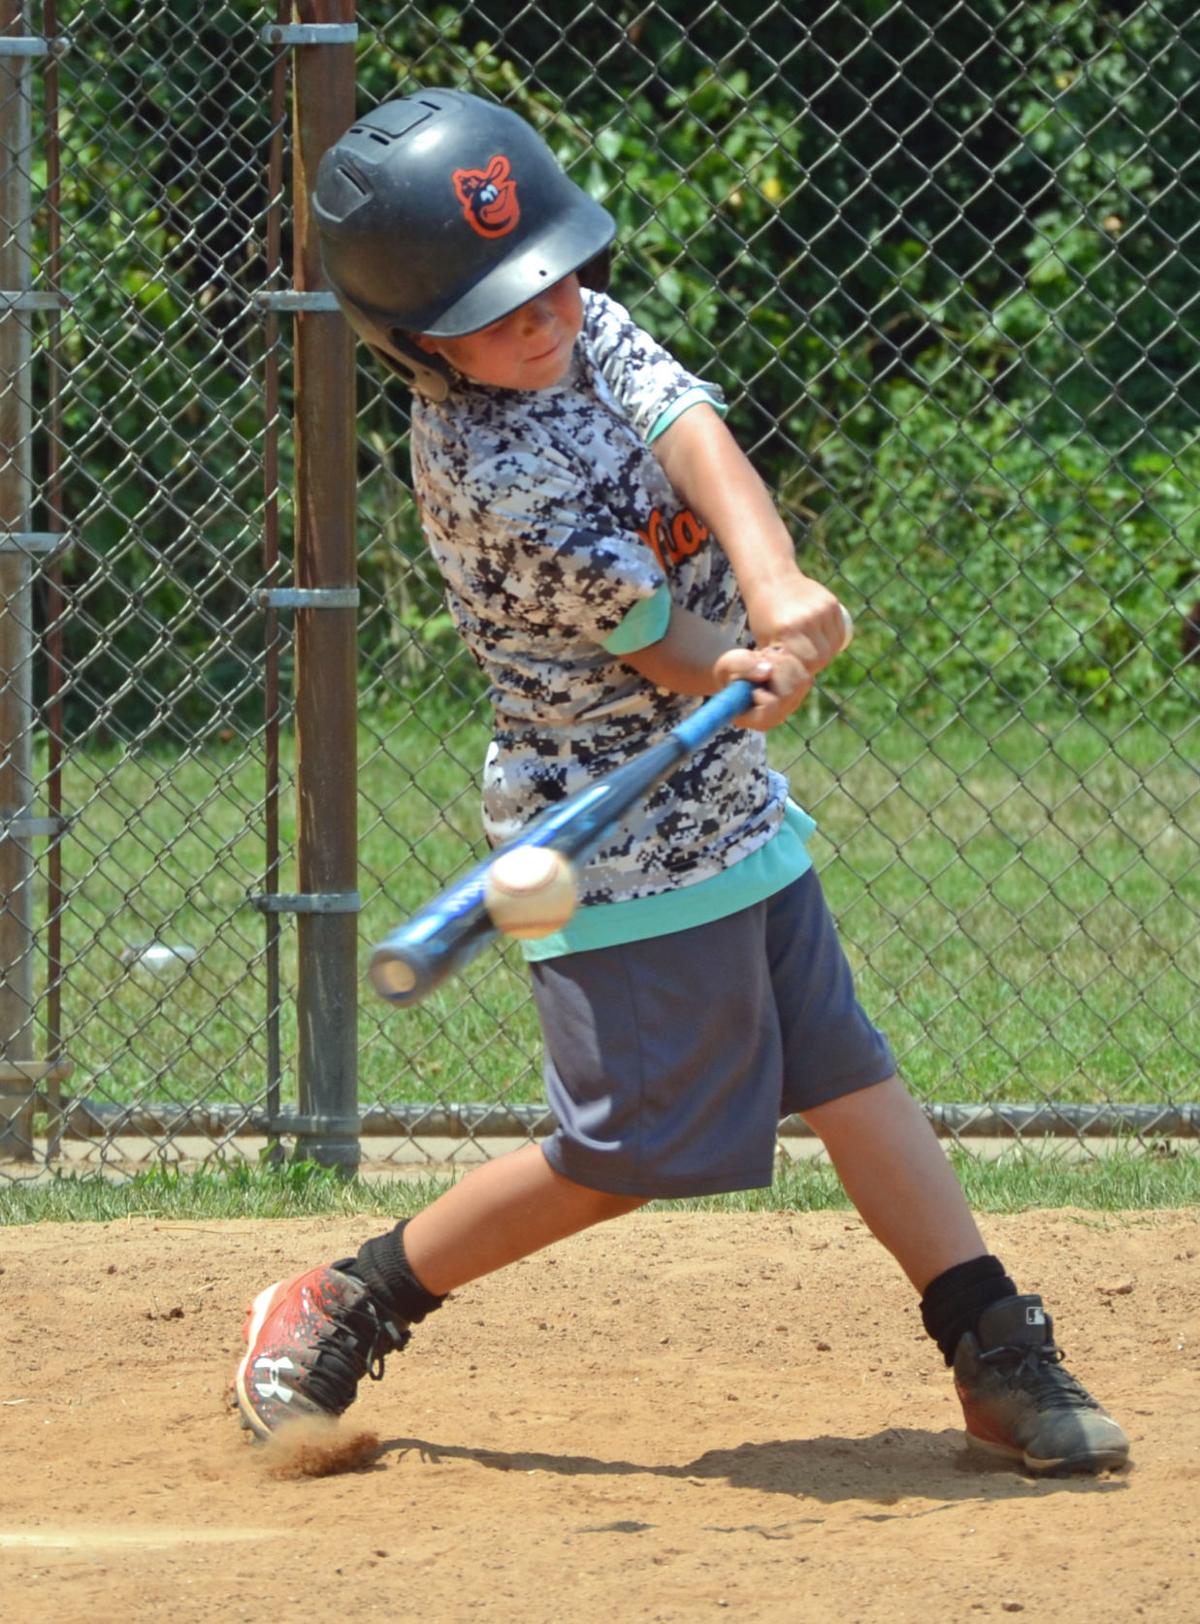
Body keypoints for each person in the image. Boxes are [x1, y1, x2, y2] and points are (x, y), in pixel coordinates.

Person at [232, 88, 1129, 1477]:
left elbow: (689, 426)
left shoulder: (577, 327)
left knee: (844, 1069)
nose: (549, 319)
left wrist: (780, 588)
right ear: (420, 341)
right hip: (606, 830)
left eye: (555, 280)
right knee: (631, 1151)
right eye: (502, 308)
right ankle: (351, 1296)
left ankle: (991, 1342)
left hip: (726, 802)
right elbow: (659, 646)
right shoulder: (484, 465)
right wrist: (742, 664)